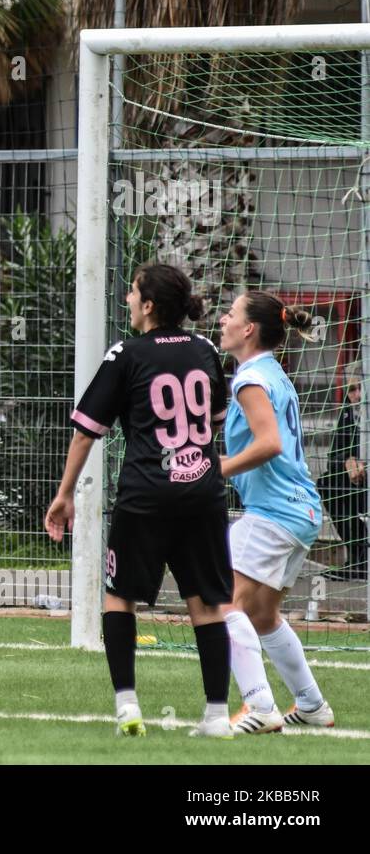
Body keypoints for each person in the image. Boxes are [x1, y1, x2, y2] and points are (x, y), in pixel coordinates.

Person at [46, 263, 234, 738]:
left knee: (119, 596)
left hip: (145, 495)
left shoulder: (125, 354)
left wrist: (65, 494)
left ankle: (128, 707)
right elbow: (213, 422)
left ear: (148, 305)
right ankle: (216, 716)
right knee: (207, 603)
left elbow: (86, 433)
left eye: (132, 293)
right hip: (202, 493)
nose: (127, 300)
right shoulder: (207, 349)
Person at [217, 292, 336, 733]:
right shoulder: (272, 374)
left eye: (231, 314)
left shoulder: (250, 379)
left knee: (221, 601)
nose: (224, 319)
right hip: (300, 513)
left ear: (249, 329)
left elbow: (270, 443)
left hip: (274, 513)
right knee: (263, 616)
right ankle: (311, 705)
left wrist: (216, 469)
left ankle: (261, 706)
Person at [318, 378, 367, 581]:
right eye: (351, 390)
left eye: (361, 388)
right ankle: (357, 557)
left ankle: (361, 556)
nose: (356, 395)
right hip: (354, 480)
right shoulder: (348, 413)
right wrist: (347, 461)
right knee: (327, 483)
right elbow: (334, 456)